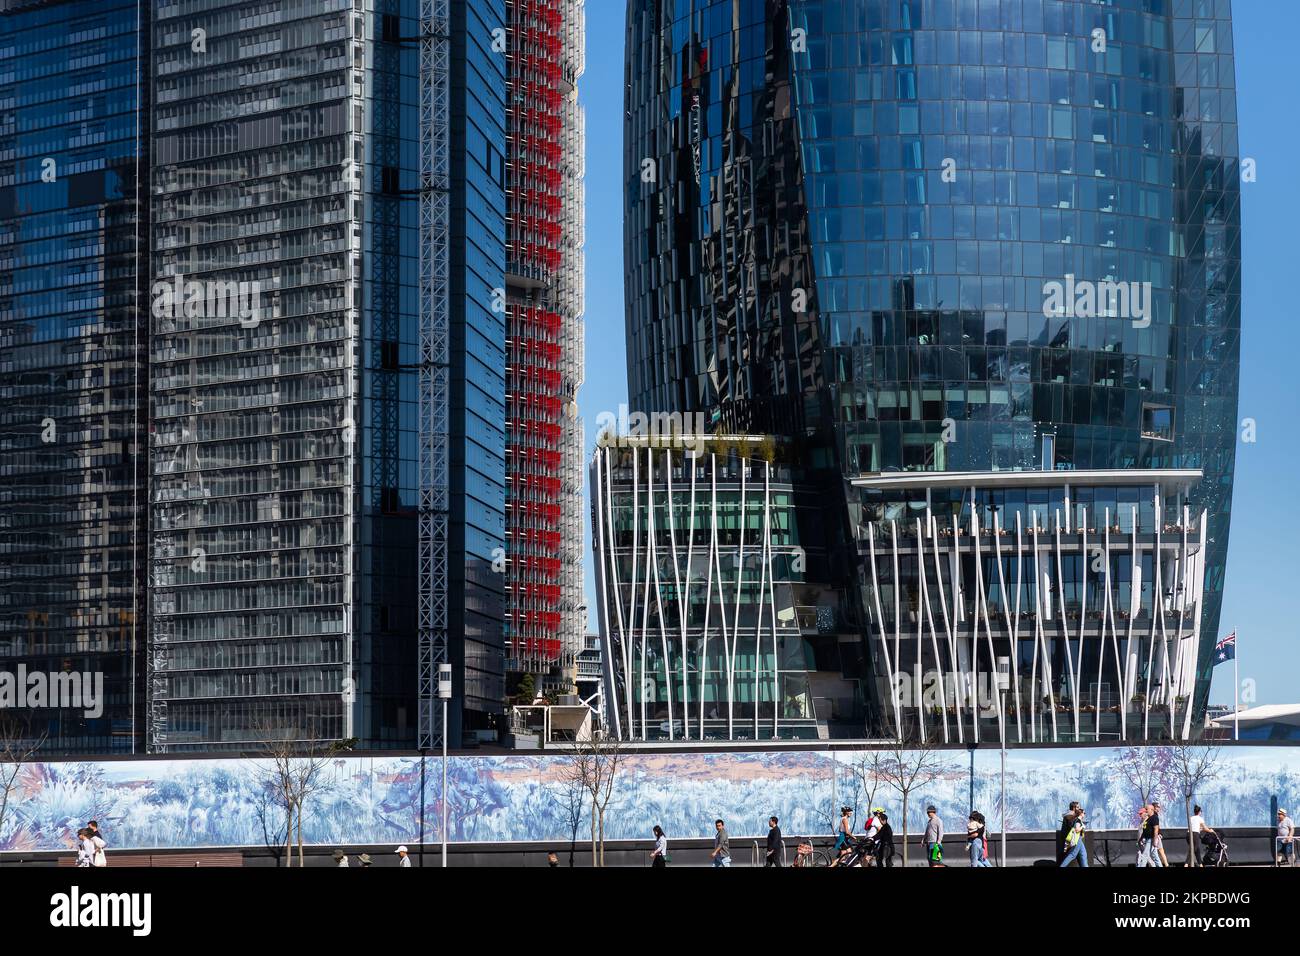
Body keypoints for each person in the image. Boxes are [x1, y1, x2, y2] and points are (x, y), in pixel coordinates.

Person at [1056, 801, 1080, 866]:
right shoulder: (1070, 815)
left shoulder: (1070, 814)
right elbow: (1072, 826)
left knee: (1083, 856)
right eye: (1078, 807)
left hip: (1076, 838)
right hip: (1073, 838)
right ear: (1074, 808)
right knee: (1073, 854)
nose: (1079, 808)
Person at [1151, 801, 1169, 866]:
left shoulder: (1155, 815)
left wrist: (1159, 833)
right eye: (1157, 807)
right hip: (1154, 836)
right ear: (1154, 808)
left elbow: (1157, 826)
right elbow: (1156, 826)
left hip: (1156, 836)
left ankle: (1166, 865)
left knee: (1160, 851)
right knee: (1157, 852)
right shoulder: (1153, 815)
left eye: (1159, 807)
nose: (1159, 808)